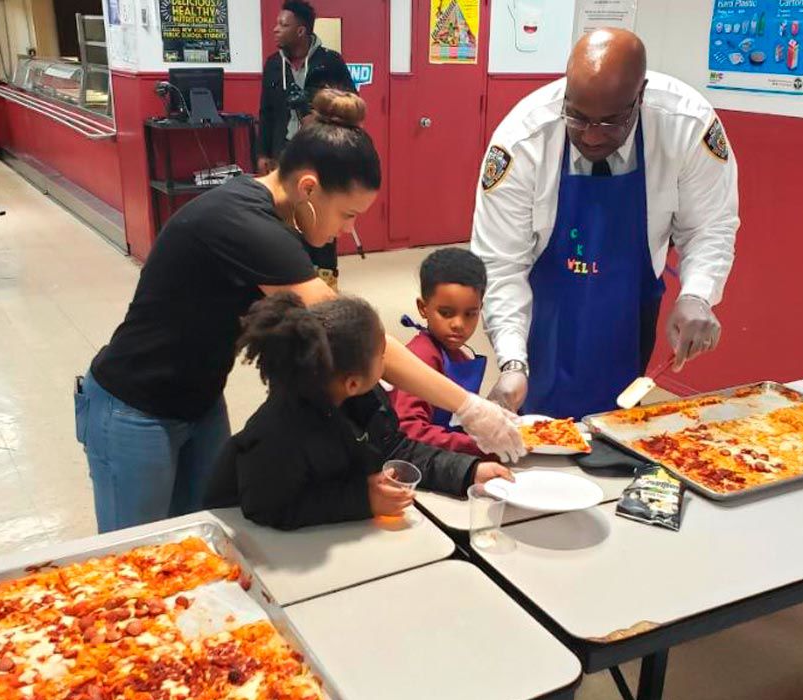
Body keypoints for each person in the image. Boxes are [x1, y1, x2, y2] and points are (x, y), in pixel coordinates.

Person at [75, 90, 522, 534]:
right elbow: (366, 345)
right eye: (347, 214)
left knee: (200, 537)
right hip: (134, 405)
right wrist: (469, 406)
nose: (349, 231)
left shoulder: (269, 218)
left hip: (200, 399)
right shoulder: (246, 225)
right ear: (308, 187)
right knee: (134, 553)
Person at [472, 29, 739, 420]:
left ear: (640, 95)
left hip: (631, 304)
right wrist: (512, 362)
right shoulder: (522, 139)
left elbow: (709, 226)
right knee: (535, 418)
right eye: (578, 118)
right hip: (546, 307)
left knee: (618, 417)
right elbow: (500, 264)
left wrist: (698, 294)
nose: (592, 135)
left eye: (612, 121)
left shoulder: (688, 124)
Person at [205, 293, 512, 530]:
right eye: (382, 354)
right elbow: (269, 507)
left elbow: (396, 447)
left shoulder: (365, 396)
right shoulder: (277, 433)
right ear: (352, 382)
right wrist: (362, 500)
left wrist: (467, 471)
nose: (389, 361)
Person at [259, 1, 356, 290]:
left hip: (321, 155)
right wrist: (263, 153)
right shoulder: (273, 64)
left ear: (301, 31)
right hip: (284, 153)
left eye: (283, 25)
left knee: (321, 218)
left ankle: (325, 282)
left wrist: (316, 106)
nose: (276, 29)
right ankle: (294, 281)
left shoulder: (331, 61)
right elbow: (266, 111)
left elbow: (351, 104)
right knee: (286, 218)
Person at [390, 248, 488, 456]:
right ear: (423, 307)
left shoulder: (460, 356)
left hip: (449, 455)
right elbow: (409, 430)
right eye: (446, 313)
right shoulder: (421, 356)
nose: (458, 324)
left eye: (470, 314)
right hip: (423, 464)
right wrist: (476, 445)